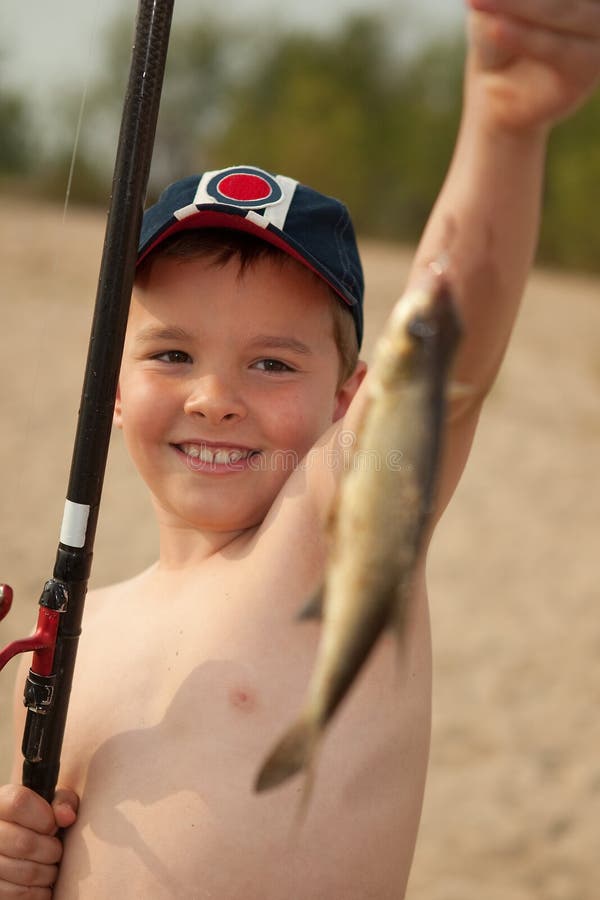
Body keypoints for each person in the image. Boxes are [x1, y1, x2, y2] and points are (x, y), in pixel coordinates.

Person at [1, 2, 599, 897]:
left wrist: (502, 122)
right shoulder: (93, 624)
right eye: (172, 353)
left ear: (347, 403)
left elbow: (446, 342)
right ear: (112, 391)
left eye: (272, 363)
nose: (216, 399)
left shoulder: (327, 543)